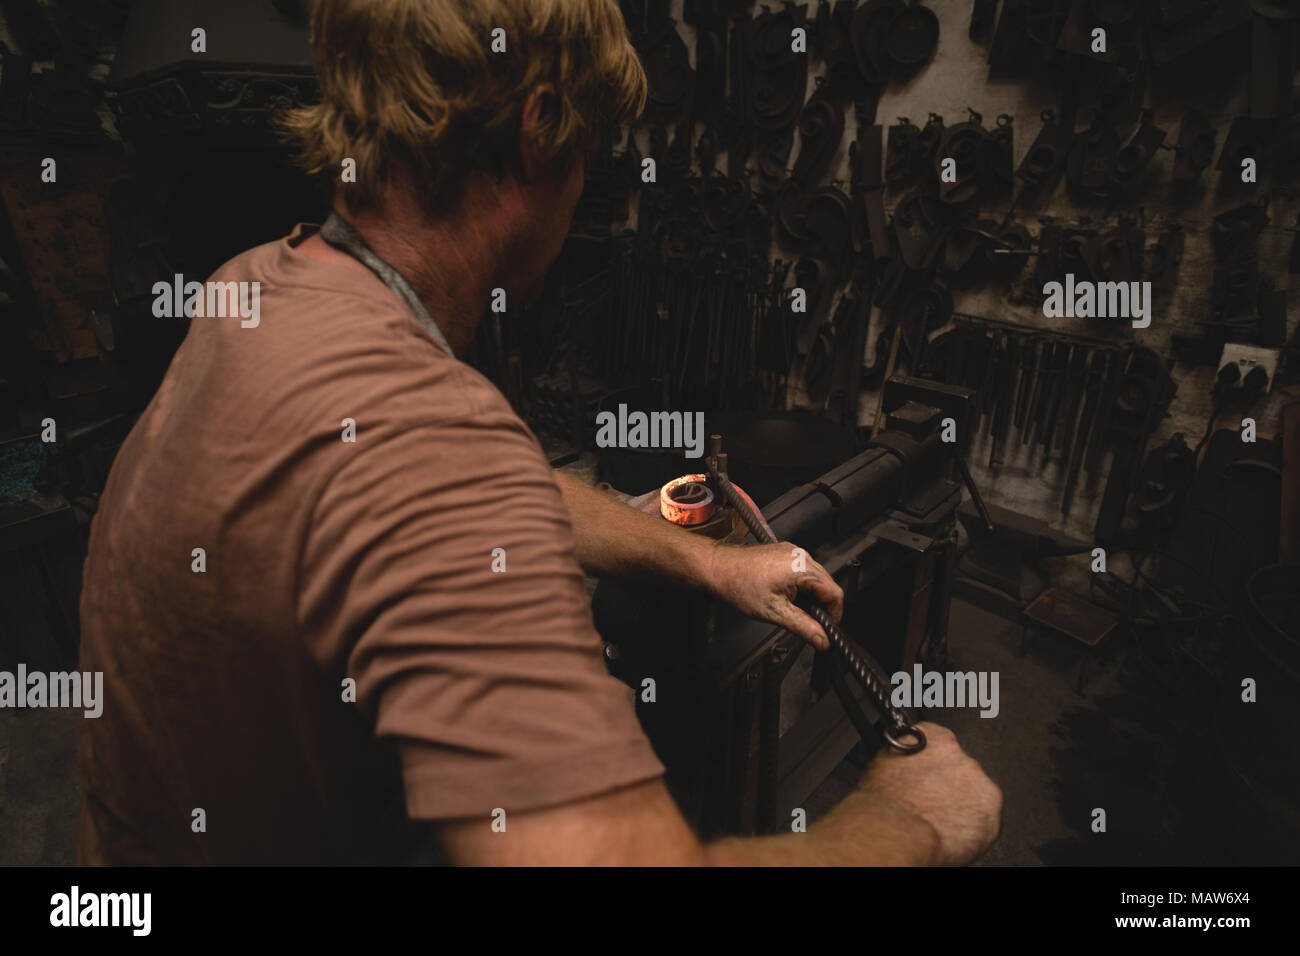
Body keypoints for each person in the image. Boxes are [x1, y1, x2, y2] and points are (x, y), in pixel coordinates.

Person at [77, 0, 1000, 865]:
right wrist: (911, 819)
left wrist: (710, 563)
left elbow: (482, 481)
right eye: (589, 152)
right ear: (537, 129)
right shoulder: (431, 438)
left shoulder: (262, 282)